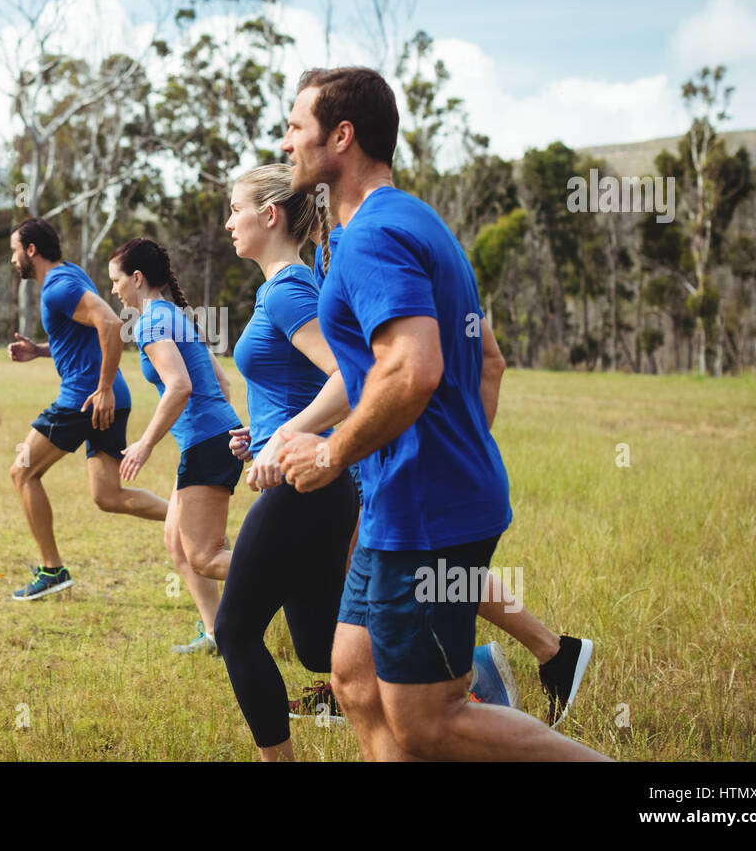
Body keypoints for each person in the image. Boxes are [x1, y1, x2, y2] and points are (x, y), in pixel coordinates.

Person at [276, 66, 607, 760]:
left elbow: (413, 369)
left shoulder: (370, 238)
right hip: (407, 500)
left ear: (342, 137)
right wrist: (451, 454)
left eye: (295, 128)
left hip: (423, 512)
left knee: (430, 717)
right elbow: (487, 359)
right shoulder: (417, 219)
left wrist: (334, 453)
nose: (285, 144)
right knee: (355, 680)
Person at [310, 201, 594, 727]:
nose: (230, 223)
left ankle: (490, 678)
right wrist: (466, 442)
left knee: (428, 717)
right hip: (401, 477)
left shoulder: (358, 248)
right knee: (365, 662)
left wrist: (316, 440)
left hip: (394, 472)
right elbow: (491, 358)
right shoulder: (417, 231)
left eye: (237, 209)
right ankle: (541, 656)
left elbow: (388, 376)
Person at [215, 164, 360, 759]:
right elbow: (303, 387)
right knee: (319, 648)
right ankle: (458, 681)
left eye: (235, 209)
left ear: (268, 216)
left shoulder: (290, 291)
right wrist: (264, 432)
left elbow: (351, 378)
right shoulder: (277, 288)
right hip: (313, 484)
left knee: (234, 629)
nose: (228, 222)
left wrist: (286, 439)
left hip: (308, 486)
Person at [6, 218, 168, 600]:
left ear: (31, 250)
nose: (13, 259)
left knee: (22, 471)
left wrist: (104, 388)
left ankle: (52, 571)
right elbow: (83, 335)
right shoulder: (69, 276)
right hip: (105, 396)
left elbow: (111, 325)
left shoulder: (57, 287)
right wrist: (40, 350)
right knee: (108, 496)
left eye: (15, 250)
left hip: (86, 397)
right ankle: (188, 514)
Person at [107, 238, 242, 653]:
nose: (113, 290)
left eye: (115, 281)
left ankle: (291, 571)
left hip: (208, 443)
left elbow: (180, 386)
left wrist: (145, 443)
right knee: (177, 542)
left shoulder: (151, 322)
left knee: (205, 555)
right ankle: (218, 633)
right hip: (212, 438)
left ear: (137, 278)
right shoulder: (174, 315)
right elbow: (222, 383)